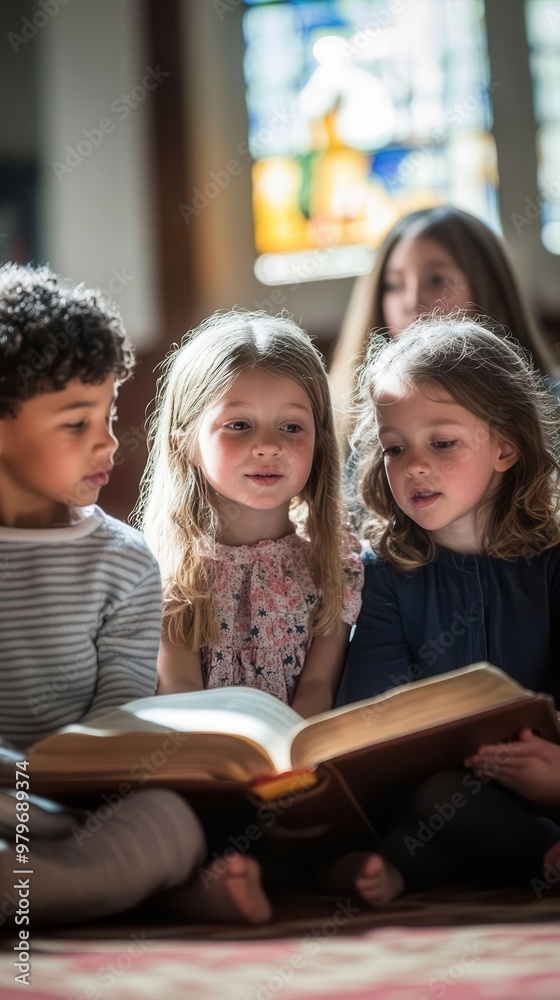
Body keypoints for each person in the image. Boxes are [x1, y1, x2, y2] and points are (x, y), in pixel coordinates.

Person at [0, 264, 270, 926]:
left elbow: (116, 731)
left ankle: (35, 891)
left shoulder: (124, 563)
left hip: (77, 807)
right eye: (74, 423)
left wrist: (47, 785)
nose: (108, 442)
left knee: (171, 822)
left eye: (110, 413)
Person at [335, 313, 560, 904]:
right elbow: (368, 717)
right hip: (444, 787)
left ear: (506, 446)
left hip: (549, 776)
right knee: (435, 798)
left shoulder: (552, 563)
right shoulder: (387, 575)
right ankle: (537, 853)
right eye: (395, 448)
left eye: (443, 443)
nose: (414, 466)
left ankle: (415, 865)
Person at [136, 309, 364, 719]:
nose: (268, 445)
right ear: (185, 443)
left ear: (320, 441)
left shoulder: (335, 562)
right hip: (203, 766)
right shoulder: (169, 570)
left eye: (292, 427)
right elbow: (181, 691)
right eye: (239, 424)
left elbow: (316, 688)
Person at [329, 205, 559, 454]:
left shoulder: (551, 411)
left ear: (490, 290)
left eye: (437, 280)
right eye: (394, 285)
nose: (411, 301)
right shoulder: (353, 427)